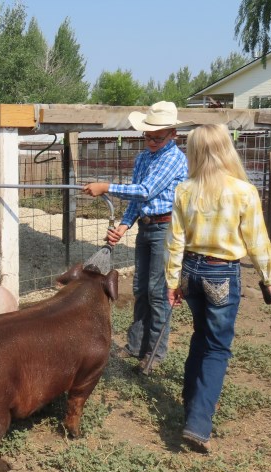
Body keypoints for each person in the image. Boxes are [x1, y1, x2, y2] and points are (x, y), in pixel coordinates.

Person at [165, 123, 271, 454]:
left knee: (201, 337)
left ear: (195, 151)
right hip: (222, 274)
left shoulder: (185, 190)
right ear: (226, 149)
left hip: (190, 271)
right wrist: (268, 278)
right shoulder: (243, 191)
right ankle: (198, 423)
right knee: (217, 346)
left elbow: (175, 242)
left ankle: (191, 402)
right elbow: (258, 242)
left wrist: (172, 282)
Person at [82, 101, 191, 370]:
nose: (151, 141)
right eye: (148, 135)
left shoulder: (174, 158)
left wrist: (106, 186)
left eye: (157, 137)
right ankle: (136, 344)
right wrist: (125, 225)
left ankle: (153, 353)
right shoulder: (144, 157)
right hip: (146, 226)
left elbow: (145, 191)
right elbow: (137, 198)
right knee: (141, 288)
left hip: (166, 228)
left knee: (156, 291)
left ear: (172, 135)